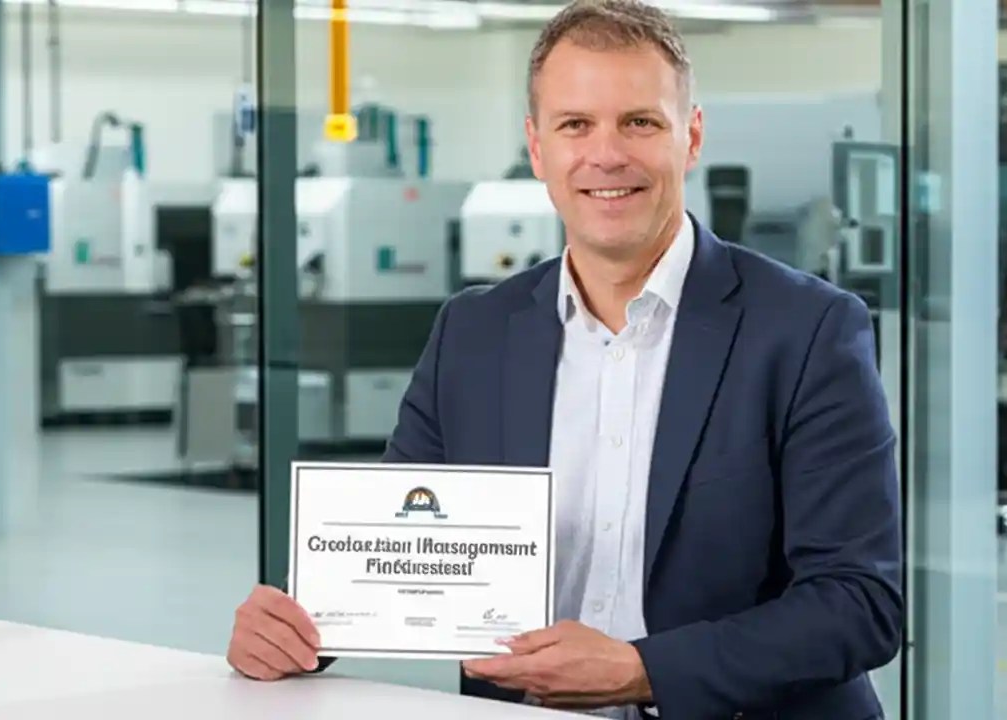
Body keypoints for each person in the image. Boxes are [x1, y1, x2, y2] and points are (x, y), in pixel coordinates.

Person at [227, 1, 903, 718]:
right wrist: (295, 626)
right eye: (575, 124)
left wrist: (643, 670)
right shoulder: (475, 332)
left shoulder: (806, 330)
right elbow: (395, 543)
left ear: (691, 136)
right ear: (537, 145)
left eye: (639, 122)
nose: (606, 154)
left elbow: (859, 602)